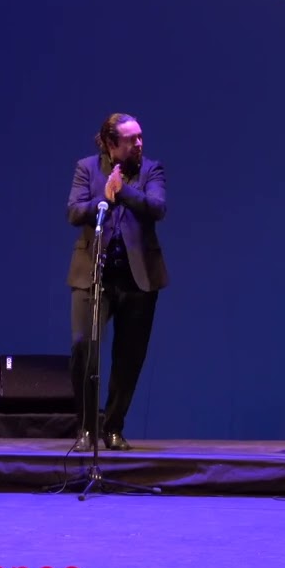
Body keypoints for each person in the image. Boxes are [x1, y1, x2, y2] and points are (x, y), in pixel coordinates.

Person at [66, 112, 167, 452]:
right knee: (84, 346)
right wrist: (103, 200)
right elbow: (73, 211)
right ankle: (85, 428)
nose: (139, 143)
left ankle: (113, 426)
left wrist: (122, 192)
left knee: (129, 356)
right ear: (111, 144)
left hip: (138, 278)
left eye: (140, 137)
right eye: (131, 139)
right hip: (93, 275)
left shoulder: (151, 170)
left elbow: (157, 207)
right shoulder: (87, 168)